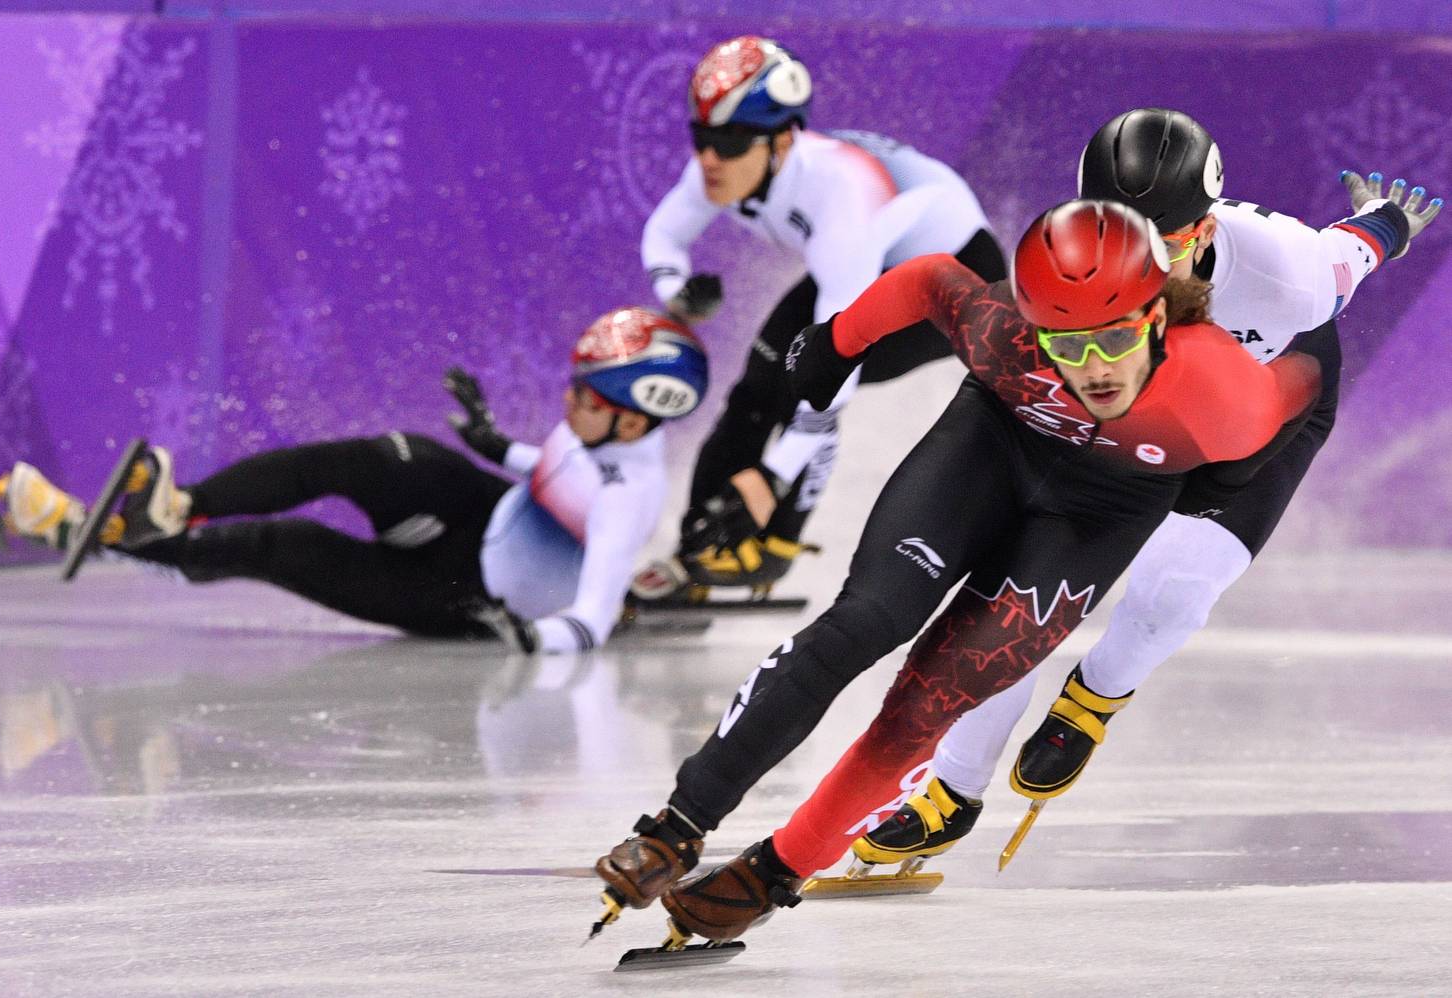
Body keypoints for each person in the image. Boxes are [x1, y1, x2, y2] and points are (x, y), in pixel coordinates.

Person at [593, 188, 1430, 948]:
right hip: (990, 449)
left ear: (1158, 316)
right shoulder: (1003, 332)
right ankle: (676, 822)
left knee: (929, 699)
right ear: (1035, 325)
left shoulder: (1229, 399)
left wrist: (1380, 228)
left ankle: (780, 870)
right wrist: (836, 341)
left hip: (1094, 517)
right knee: (864, 623)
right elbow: (926, 280)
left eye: (1114, 337)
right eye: (1069, 342)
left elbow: (1312, 358)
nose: (1094, 366)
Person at [852, 110, 1445, 874]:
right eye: (1115, 238)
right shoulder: (1067, 259)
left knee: (1177, 590)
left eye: (1160, 247)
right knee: (1022, 599)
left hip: (1262, 404)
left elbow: (1352, 253)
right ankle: (951, 790)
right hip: (1126, 401)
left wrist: (1384, 222)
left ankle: (1097, 697)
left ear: (1201, 231)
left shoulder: (1289, 275)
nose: (1135, 272)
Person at [0, 308, 708, 654]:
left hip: (465, 596)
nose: (567, 400)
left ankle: (95, 535)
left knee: (279, 545)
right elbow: (553, 475)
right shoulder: (594, 432)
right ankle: (175, 507)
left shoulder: (626, 502)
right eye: (575, 383)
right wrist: (495, 446)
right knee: (372, 459)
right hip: (484, 513)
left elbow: (592, 620)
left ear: (638, 422)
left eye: (586, 395)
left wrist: (528, 635)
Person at [632, 35, 1006, 600]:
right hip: (879, 264)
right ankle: (699, 548)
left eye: (730, 142)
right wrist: (678, 293)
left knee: (802, 382)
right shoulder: (724, 167)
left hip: (953, 281)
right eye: (702, 138)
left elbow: (837, 372)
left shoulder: (840, 199)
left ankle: (774, 546)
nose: (710, 158)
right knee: (755, 389)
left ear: (783, 141)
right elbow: (664, 234)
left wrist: (774, 473)